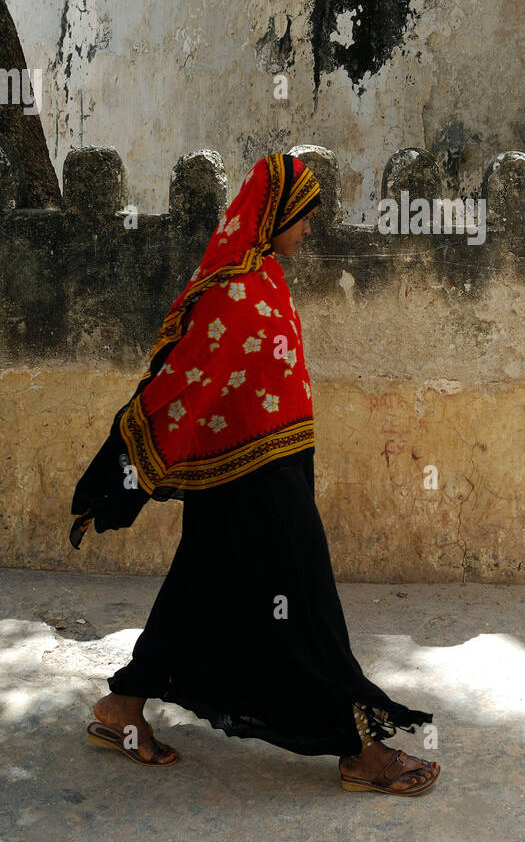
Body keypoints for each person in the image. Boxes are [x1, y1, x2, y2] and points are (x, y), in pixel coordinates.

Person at [70, 152, 440, 797]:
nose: (308, 229)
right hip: (249, 477)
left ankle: (121, 707)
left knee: (201, 587)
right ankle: (361, 751)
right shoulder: (231, 287)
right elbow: (186, 378)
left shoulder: (264, 273)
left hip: (276, 465)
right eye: (304, 216)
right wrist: (131, 465)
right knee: (305, 599)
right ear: (276, 211)